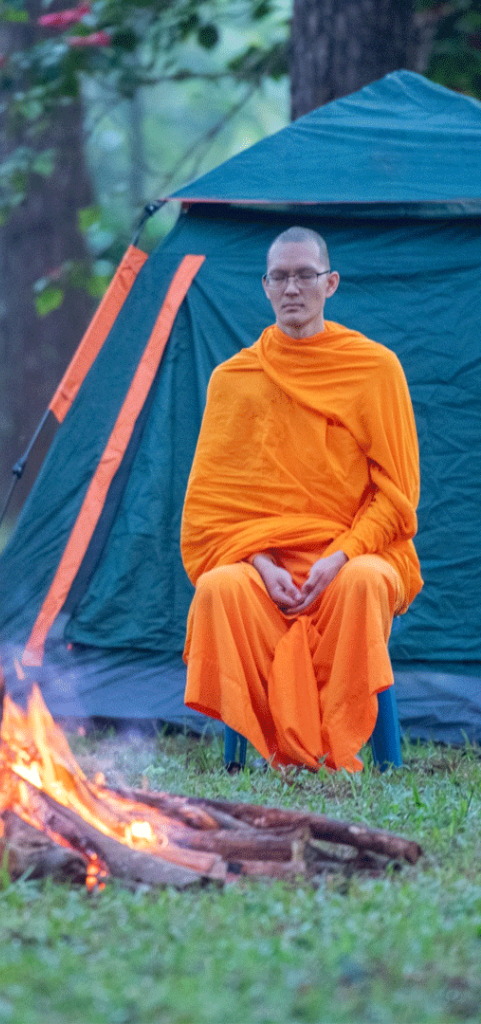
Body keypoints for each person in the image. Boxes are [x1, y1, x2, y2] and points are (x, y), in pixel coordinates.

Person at [181, 226, 422, 772]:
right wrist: (263, 567)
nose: (293, 288)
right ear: (265, 287)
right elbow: (210, 514)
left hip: (356, 556)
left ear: (330, 283)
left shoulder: (375, 369)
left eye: (305, 275)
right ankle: (274, 744)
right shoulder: (233, 380)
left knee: (364, 581)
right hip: (264, 564)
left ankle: (336, 747)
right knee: (219, 588)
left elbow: (397, 497)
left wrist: (339, 556)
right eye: (281, 277)